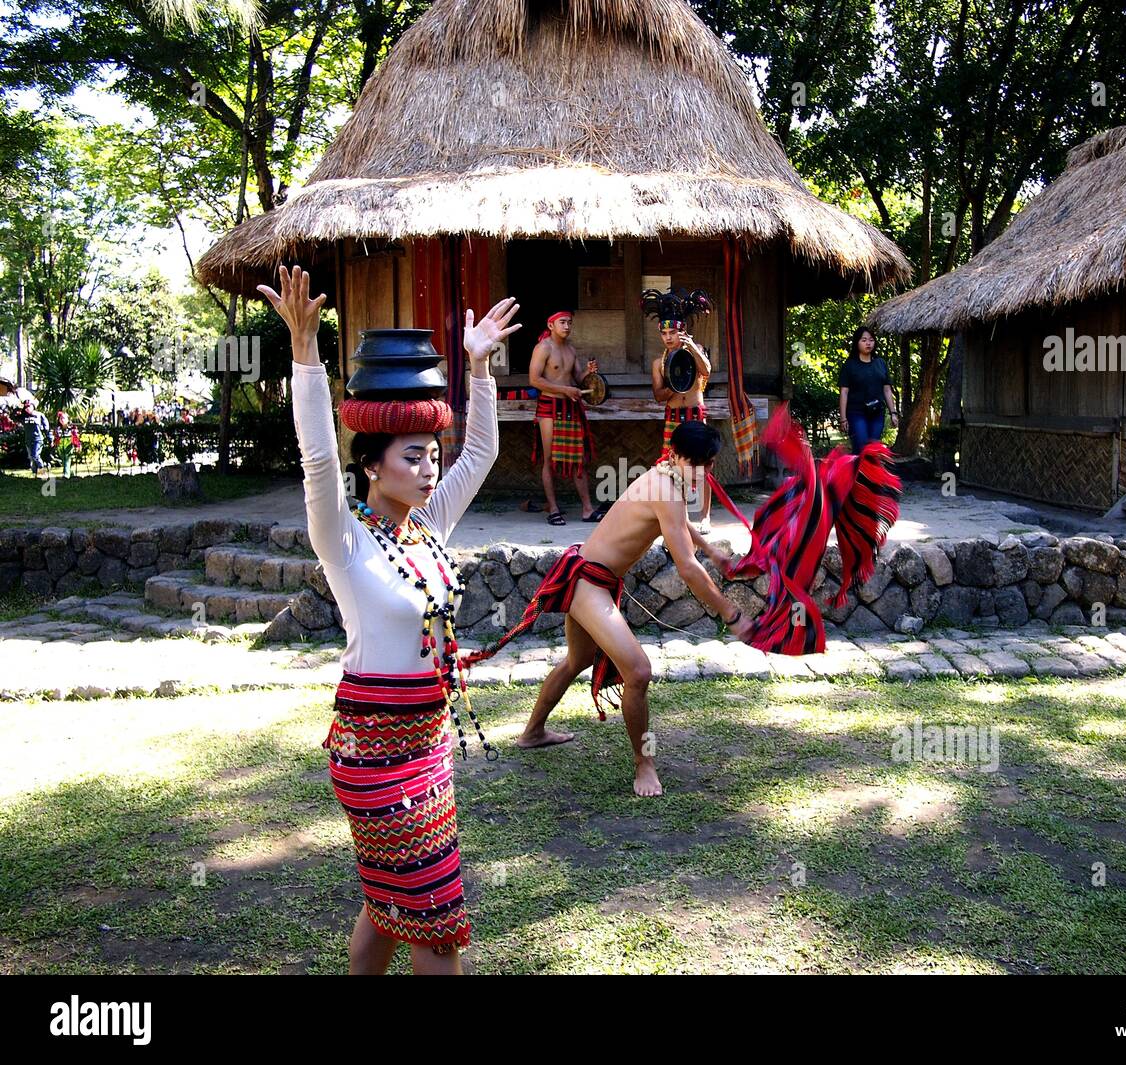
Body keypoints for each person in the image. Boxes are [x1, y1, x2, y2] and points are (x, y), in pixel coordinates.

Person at [260, 264, 519, 976]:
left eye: (433, 454)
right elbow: (317, 456)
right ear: (373, 467)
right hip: (373, 758)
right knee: (436, 926)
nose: (432, 468)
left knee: (387, 907)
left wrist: (477, 367)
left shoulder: (428, 529)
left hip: (429, 745)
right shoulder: (344, 539)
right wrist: (306, 355)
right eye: (414, 456)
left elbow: (484, 453)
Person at [468, 419, 756, 797]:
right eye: (705, 463)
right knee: (638, 672)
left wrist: (712, 550)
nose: (709, 470)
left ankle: (533, 733)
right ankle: (644, 764)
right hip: (589, 584)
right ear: (683, 457)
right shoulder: (665, 487)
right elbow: (685, 566)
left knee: (577, 660)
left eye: (711, 463)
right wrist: (730, 614)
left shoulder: (666, 475)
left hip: (590, 579)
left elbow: (679, 522)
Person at [644, 287, 714, 531]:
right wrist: (676, 385)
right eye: (664, 333)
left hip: (695, 414)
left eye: (672, 332)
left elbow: (706, 371)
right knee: (673, 468)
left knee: (702, 466)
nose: (667, 337)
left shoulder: (697, 351)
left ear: (682, 331)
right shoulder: (658, 363)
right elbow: (658, 395)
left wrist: (692, 347)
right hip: (673, 416)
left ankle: (705, 517)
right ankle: (680, 517)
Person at [528, 310, 602, 526]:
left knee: (578, 459)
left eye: (570, 322)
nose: (567, 326)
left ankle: (587, 509)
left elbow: (577, 379)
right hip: (549, 407)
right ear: (551, 325)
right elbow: (534, 379)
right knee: (549, 460)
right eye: (562, 322)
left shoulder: (570, 349)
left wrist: (588, 373)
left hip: (569, 406)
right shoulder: (543, 348)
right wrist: (564, 390)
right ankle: (553, 509)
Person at [838, 327, 898, 450]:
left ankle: (869, 469)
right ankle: (857, 469)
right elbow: (844, 392)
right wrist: (843, 419)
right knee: (861, 447)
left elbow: (887, 390)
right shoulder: (849, 365)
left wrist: (893, 413)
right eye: (864, 340)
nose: (868, 343)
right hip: (856, 412)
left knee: (873, 449)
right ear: (857, 343)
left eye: (871, 340)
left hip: (877, 412)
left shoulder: (881, 363)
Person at [20, 400, 50, 476]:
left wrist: (50, 439)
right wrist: (18, 408)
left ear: (33, 406)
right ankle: (35, 474)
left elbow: (46, 428)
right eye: (25, 407)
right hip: (28, 440)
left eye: (29, 406)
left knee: (35, 455)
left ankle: (42, 471)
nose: (27, 408)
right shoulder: (23, 416)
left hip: (38, 439)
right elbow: (13, 417)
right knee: (31, 458)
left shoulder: (39, 415)